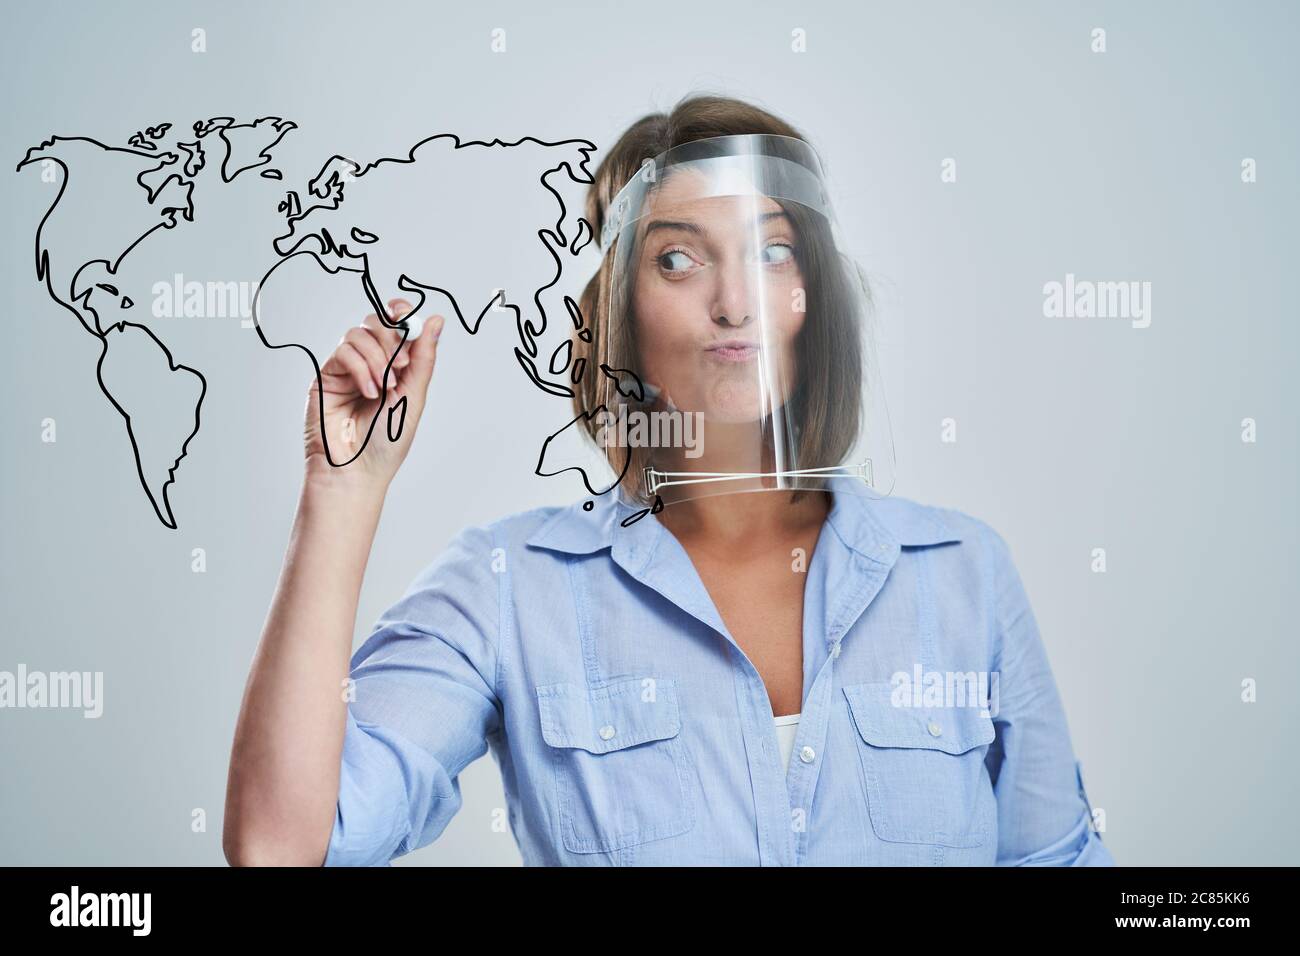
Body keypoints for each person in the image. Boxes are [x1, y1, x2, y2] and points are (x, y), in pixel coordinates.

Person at [223, 93, 1114, 866]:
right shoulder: (509, 589)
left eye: (770, 253)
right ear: (618, 309)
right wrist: (343, 490)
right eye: (679, 260)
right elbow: (282, 845)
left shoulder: (962, 574)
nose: (735, 302)